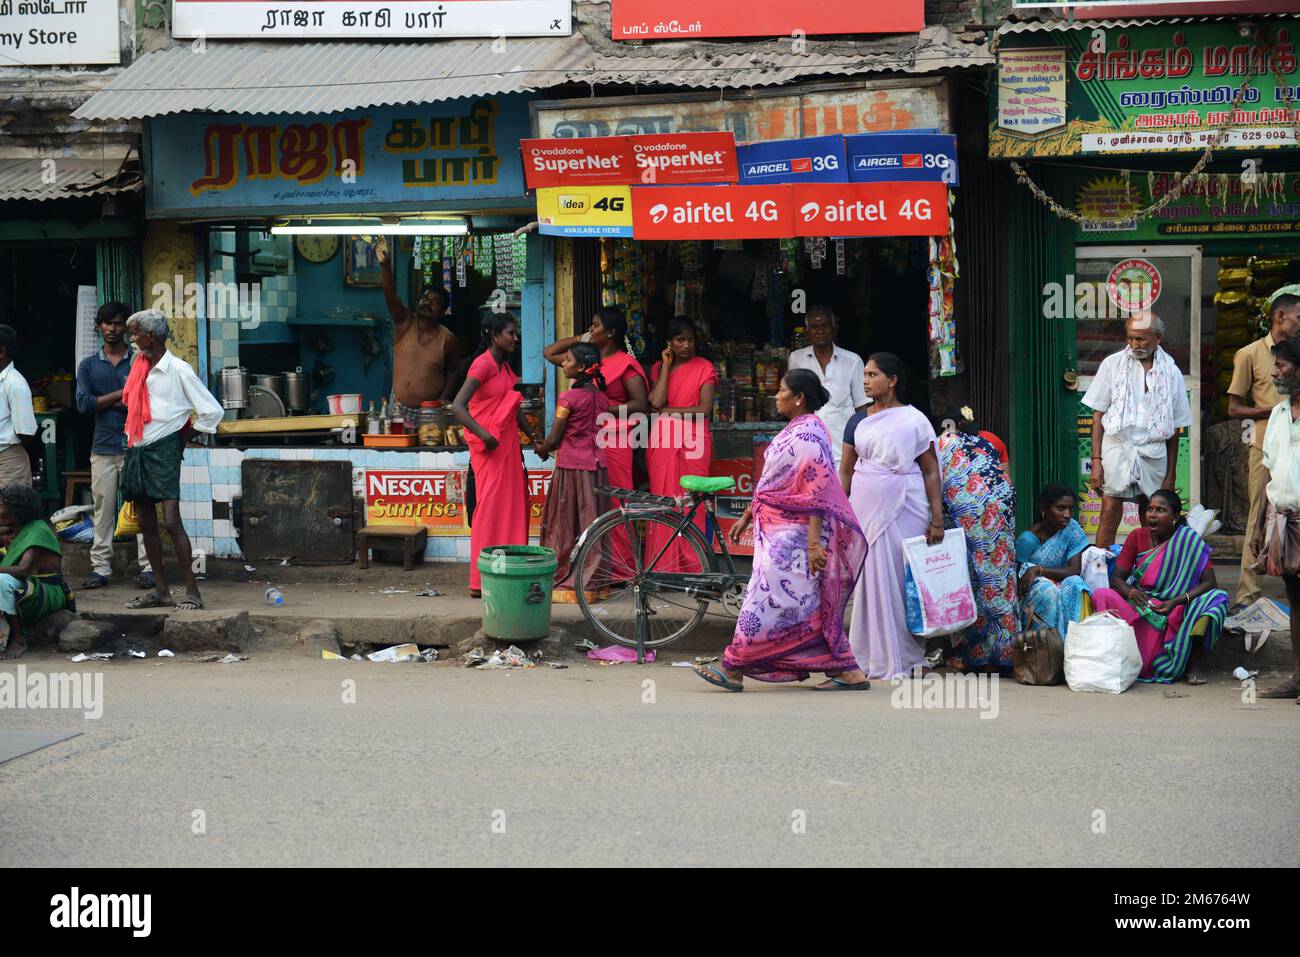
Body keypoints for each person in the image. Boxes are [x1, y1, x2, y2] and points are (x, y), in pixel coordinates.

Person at [695, 370, 870, 691]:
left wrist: (815, 544)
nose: (776, 396)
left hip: (796, 538)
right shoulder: (797, 430)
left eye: (782, 391)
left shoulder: (808, 436)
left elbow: (815, 491)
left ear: (799, 398)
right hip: (779, 532)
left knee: (764, 600)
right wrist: (748, 516)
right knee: (802, 606)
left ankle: (733, 666)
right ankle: (847, 669)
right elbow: (774, 484)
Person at [841, 353, 945, 680]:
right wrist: (838, 513)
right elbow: (845, 471)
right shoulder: (857, 421)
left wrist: (937, 518)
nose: (866, 380)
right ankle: (867, 654)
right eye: (865, 375)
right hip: (865, 508)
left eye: (873, 374)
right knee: (869, 580)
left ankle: (907, 655)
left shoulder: (914, 420)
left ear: (893, 380)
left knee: (903, 582)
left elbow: (930, 471)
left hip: (908, 507)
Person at [119, 311, 225, 611]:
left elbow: (211, 411)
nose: (133, 337)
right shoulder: (137, 367)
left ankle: (192, 590)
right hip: (137, 447)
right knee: (146, 524)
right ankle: (162, 591)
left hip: (163, 448)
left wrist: (184, 437)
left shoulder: (179, 370)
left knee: (170, 521)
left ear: (151, 336)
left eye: (136, 333)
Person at [544, 308, 647, 577]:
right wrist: (583, 336)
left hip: (614, 439)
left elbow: (640, 404)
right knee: (588, 507)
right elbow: (549, 353)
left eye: (596, 325)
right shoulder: (586, 360)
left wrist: (599, 408)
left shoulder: (625, 363)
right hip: (586, 441)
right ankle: (592, 568)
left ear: (611, 332)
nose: (592, 328)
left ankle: (622, 569)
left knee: (613, 505)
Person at [1090, 489, 1228, 685]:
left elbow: (1210, 583)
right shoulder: (1137, 536)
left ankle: (1193, 665)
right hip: (1140, 606)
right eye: (1150, 509)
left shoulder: (1188, 540)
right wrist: (1132, 592)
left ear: (1174, 517)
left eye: (1160, 510)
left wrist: (1176, 601)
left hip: (1172, 612)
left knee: (1217, 598)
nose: (1152, 515)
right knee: (1101, 594)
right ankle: (1116, 652)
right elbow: (1117, 579)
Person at [1083, 310, 1192, 547]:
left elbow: (1175, 428)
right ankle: (1102, 570)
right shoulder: (1112, 365)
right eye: (1130, 338)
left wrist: (1171, 473)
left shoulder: (1171, 372)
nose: (1134, 344)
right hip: (1117, 447)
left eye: (1141, 339)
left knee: (1152, 514)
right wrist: (1096, 460)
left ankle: (1152, 568)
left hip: (1153, 451)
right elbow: (1098, 414)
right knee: (1110, 510)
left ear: (1158, 337)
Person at [452, 313, 535, 598]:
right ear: (493, 334)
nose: (515, 337)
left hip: (508, 444)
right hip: (488, 448)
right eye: (511, 333)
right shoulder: (483, 364)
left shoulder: (504, 366)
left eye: (516, 332)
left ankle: (507, 569)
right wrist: (484, 434)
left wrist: (533, 437)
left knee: (511, 507)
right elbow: (458, 406)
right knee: (488, 509)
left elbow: (514, 405)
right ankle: (480, 579)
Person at [1227, 287, 1300, 610]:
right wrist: (1270, 411)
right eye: (1298, 316)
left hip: (1293, 440)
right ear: (1280, 316)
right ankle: (1248, 593)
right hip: (1266, 445)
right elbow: (1233, 408)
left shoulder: (1296, 353)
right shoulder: (1249, 354)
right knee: (1259, 517)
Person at [74, 302, 153, 590]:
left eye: (118, 323)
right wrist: (123, 393)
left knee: (143, 508)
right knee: (103, 510)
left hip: (137, 446)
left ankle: (149, 566)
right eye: (107, 323)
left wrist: (104, 401)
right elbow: (82, 405)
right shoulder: (89, 365)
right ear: (99, 326)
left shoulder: (139, 361)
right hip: (104, 447)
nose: (112, 328)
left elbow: (145, 402)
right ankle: (101, 567)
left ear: (126, 328)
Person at [935, 407, 1019, 673]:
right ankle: (1005, 656)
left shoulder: (942, 443)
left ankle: (973, 657)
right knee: (1001, 584)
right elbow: (1005, 481)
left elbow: (936, 483)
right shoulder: (990, 441)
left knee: (968, 584)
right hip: (1000, 522)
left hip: (967, 526)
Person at [534, 343, 610, 598]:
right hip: (598, 466)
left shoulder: (568, 398)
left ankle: (571, 582)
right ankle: (595, 583)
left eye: (567, 360)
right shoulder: (601, 396)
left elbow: (555, 438)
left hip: (572, 467)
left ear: (580, 367)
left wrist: (542, 448)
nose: (563, 364)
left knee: (565, 524)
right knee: (594, 523)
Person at [1249, 333, 1300, 702]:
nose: (1275, 373)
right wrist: (1260, 527)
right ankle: (1298, 678)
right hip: (1284, 519)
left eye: (1281, 366)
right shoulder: (1280, 414)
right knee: (1296, 599)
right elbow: (1269, 470)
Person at [647, 318, 717, 572]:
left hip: (695, 440)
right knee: (665, 502)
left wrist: (669, 411)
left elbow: (704, 409)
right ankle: (664, 568)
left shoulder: (705, 367)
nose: (687, 345)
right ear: (669, 343)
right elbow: (655, 402)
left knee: (692, 502)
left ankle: (692, 568)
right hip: (663, 441)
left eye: (690, 340)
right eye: (680, 340)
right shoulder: (658, 368)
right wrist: (665, 366)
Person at [375, 236, 460, 430]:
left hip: (429, 412)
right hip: (397, 408)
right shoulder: (405, 322)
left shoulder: (448, 339)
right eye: (425, 298)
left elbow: (455, 370)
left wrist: (443, 398)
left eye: (435, 301)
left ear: (443, 311)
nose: (427, 302)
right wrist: (385, 266)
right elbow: (390, 295)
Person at [785, 306, 869, 470]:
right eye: (814, 327)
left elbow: (862, 408)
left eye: (825, 326)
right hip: (806, 448)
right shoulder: (796, 359)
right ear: (808, 332)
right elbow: (792, 403)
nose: (820, 331)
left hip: (842, 452)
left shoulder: (853, 361)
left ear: (834, 328)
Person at [0, 482, 73, 660]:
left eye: (2, 506)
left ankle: (18, 638)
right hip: (25, 588)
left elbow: (23, 570)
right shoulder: (15, 529)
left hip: (47, 591)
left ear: (16, 509)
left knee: (2, 581)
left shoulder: (37, 529)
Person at [1017, 483, 1092, 639]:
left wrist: (1038, 569)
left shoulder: (1072, 529)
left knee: (1076, 583)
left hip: (1060, 583)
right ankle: (1047, 645)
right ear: (1044, 508)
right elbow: (1019, 582)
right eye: (1061, 508)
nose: (1067, 514)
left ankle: (1073, 643)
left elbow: (1074, 570)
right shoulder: (1027, 540)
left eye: (1071, 509)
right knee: (1047, 590)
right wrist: (1038, 577)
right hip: (1034, 595)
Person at [0, 324, 36, 487]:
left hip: (8, 460)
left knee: (10, 511)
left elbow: (25, 432)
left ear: (2, 352)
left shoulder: (15, 383)